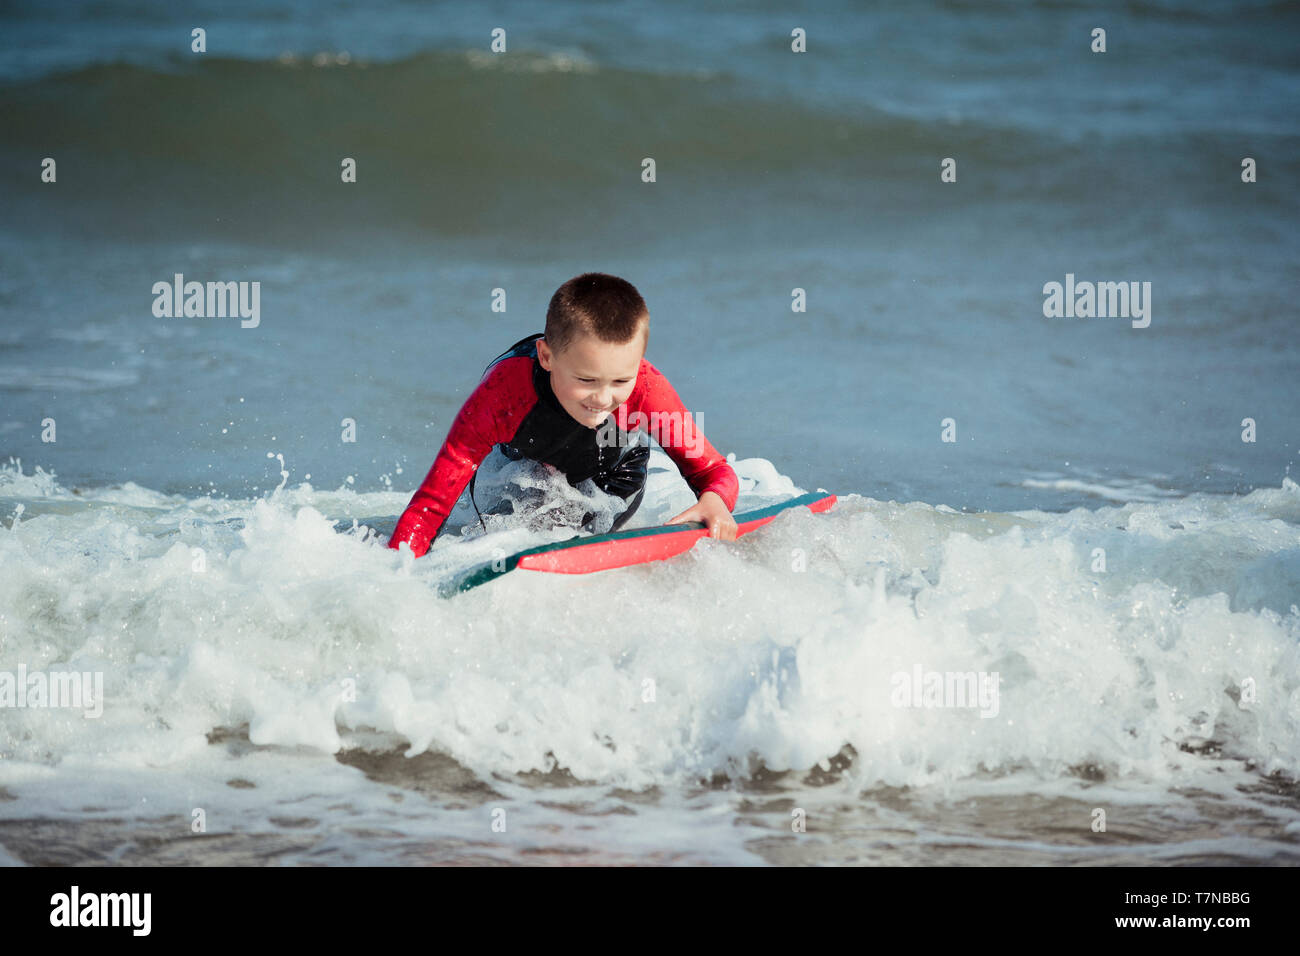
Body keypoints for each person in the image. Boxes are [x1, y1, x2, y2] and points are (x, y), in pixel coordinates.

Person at [388, 272, 739, 557]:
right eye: (586, 379)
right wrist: (398, 571)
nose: (603, 398)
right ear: (546, 357)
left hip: (613, 475)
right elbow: (432, 503)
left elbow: (713, 470)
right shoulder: (504, 393)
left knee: (573, 536)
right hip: (520, 468)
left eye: (621, 380)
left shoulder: (648, 389)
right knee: (501, 535)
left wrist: (715, 501)